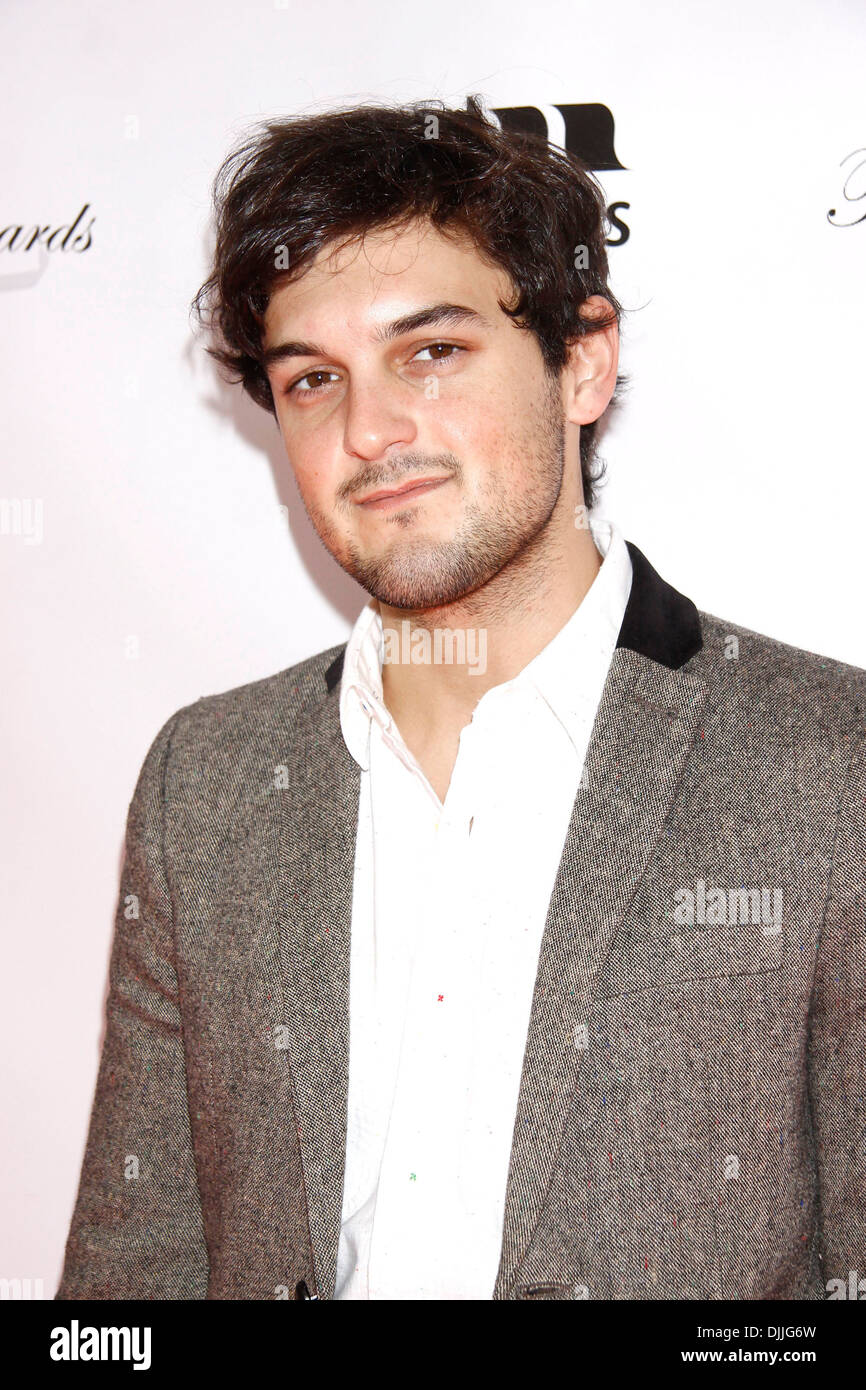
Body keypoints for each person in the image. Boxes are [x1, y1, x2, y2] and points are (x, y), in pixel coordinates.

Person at [57, 98, 865, 1301]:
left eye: (430, 351)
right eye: (312, 379)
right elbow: (133, 1282)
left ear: (580, 359)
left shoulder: (826, 760)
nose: (370, 430)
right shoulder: (208, 777)